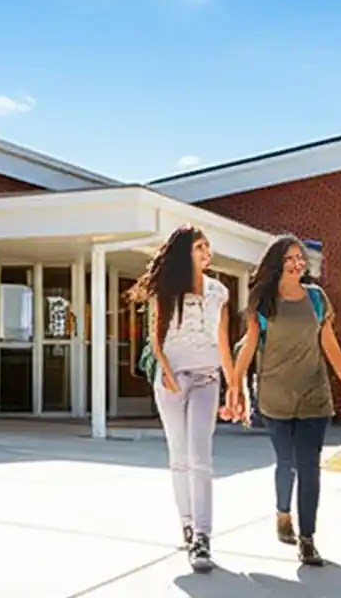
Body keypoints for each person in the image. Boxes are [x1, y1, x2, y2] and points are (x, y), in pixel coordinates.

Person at [230, 235, 341, 566]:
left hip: (314, 396)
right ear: (276, 264)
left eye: (301, 258)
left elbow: (329, 343)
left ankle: (307, 538)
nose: (299, 263)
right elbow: (250, 344)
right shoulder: (264, 301)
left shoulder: (316, 299)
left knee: (309, 466)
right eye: (291, 258)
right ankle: (283, 513)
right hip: (275, 398)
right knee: (287, 463)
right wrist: (235, 385)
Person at [126, 224, 237, 573]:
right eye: (200, 246)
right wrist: (167, 373)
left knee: (200, 457)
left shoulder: (219, 291)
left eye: (208, 247)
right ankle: (187, 525)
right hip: (171, 380)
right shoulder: (165, 290)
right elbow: (156, 340)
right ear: (185, 251)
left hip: (207, 378)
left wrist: (234, 387)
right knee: (179, 458)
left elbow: (223, 343)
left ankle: (203, 537)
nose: (207, 253)